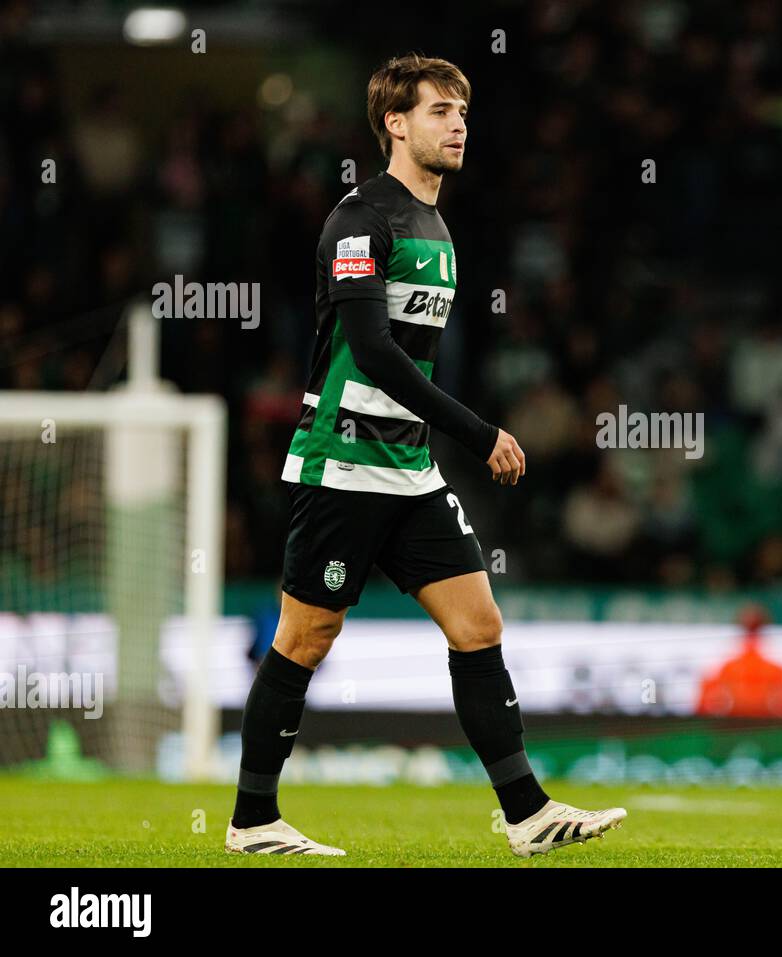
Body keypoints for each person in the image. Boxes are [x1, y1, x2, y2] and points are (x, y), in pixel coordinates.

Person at [224, 53, 625, 857]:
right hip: (342, 460)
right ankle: (252, 820)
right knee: (307, 636)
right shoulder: (357, 219)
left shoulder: (437, 226)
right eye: (440, 111)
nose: (458, 125)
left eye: (463, 113)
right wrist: (480, 434)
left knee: (478, 623)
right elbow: (371, 351)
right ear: (395, 123)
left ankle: (527, 813)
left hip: (407, 469)